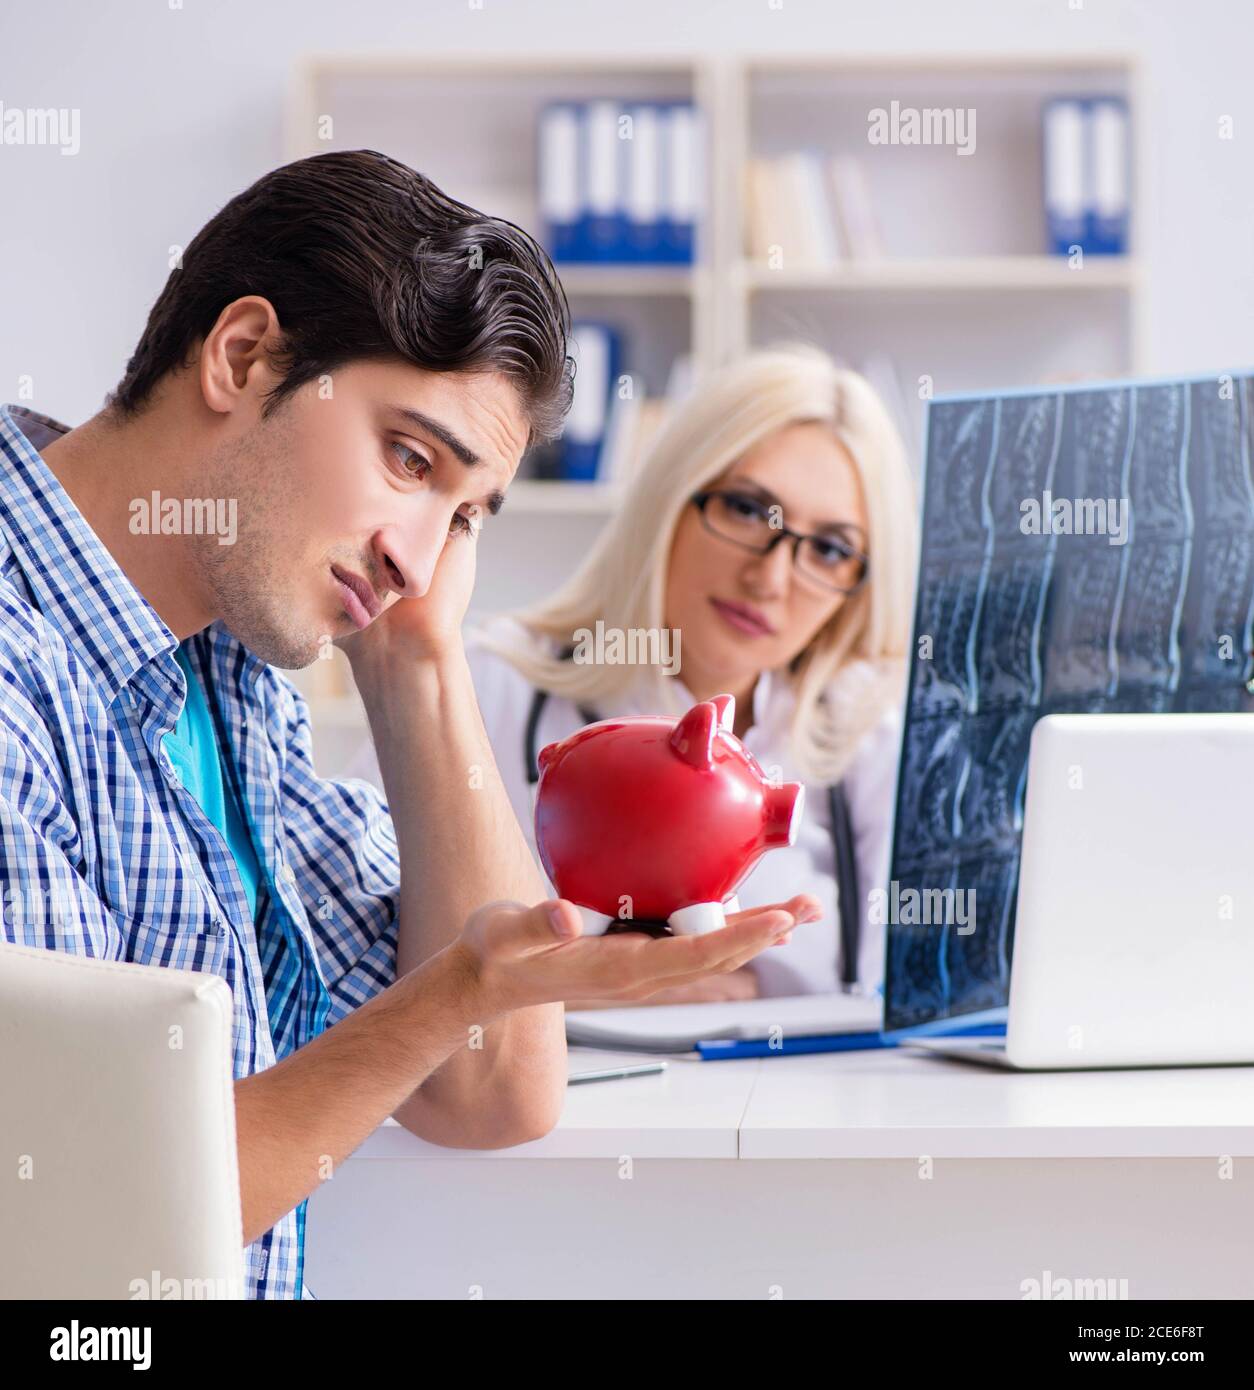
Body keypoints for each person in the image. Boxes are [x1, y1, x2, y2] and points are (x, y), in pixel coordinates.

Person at [0, 150, 818, 1299]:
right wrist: (463, 987)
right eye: (409, 457)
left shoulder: (232, 685)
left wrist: (420, 660)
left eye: (467, 514)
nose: (420, 557)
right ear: (242, 356)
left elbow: (494, 1089)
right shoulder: (16, 668)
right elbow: (82, 1209)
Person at [352, 345, 918, 1004]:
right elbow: (347, 953)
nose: (770, 578)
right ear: (668, 502)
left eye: (828, 549)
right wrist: (685, 987)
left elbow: (904, 995)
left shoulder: (870, 742)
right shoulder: (482, 685)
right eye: (744, 509)